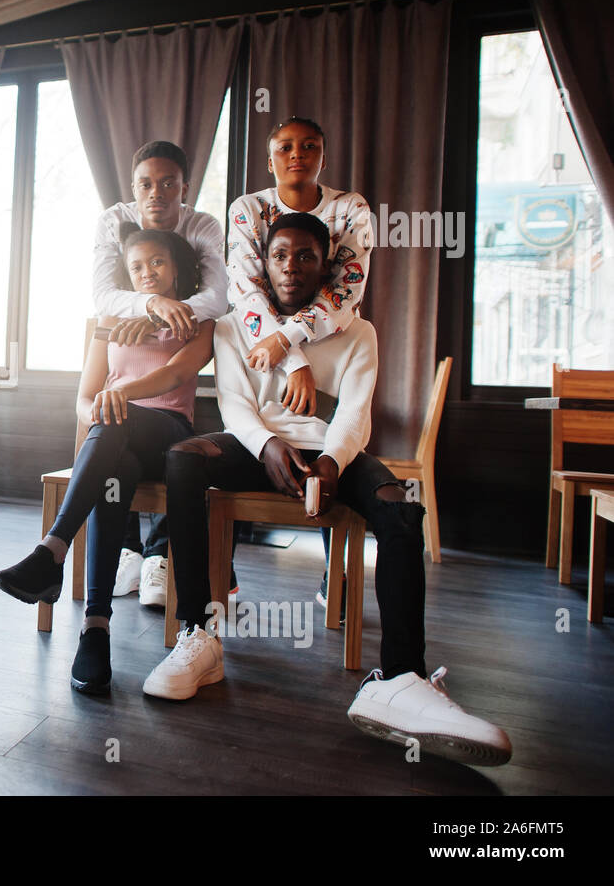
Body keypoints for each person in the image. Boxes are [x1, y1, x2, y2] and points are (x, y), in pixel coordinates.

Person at [146, 212, 511, 766]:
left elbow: (355, 416)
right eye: (280, 256)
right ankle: (198, 635)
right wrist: (268, 447)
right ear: (263, 266)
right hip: (256, 445)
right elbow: (235, 408)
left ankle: (401, 679)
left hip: (333, 453)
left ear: (327, 267)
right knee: (183, 457)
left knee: (399, 508)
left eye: (306, 257)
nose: (292, 266)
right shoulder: (232, 326)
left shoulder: (357, 330)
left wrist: (333, 465)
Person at [0, 224, 214, 695]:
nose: (147, 272)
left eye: (157, 262)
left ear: (175, 267)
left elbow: (176, 372)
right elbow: (83, 397)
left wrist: (114, 398)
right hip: (115, 439)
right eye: (136, 266)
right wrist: (101, 408)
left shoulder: (198, 318)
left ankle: (52, 550)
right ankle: (96, 629)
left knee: (114, 425)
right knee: (116, 467)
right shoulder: (109, 319)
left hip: (169, 439)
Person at [228, 116, 375, 610]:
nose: (297, 154)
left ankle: (338, 574)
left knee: (332, 429)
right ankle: (216, 577)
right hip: (261, 340)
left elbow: (346, 291)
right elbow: (246, 292)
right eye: (285, 147)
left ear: (323, 157)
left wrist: (290, 338)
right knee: (248, 423)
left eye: (309, 146)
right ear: (270, 160)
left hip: (329, 334)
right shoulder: (249, 210)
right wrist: (292, 361)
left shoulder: (350, 207)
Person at [91, 141, 229, 605]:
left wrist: (157, 316)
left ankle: (154, 553)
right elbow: (104, 296)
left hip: (175, 367)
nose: (157, 194)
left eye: (168, 184)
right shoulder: (114, 221)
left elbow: (217, 298)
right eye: (146, 184)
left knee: (174, 444)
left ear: (184, 188)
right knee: (117, 444)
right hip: (126, 356)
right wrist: (149, 301)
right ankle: (130, 553)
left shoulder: (202, 226)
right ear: (133, 188)